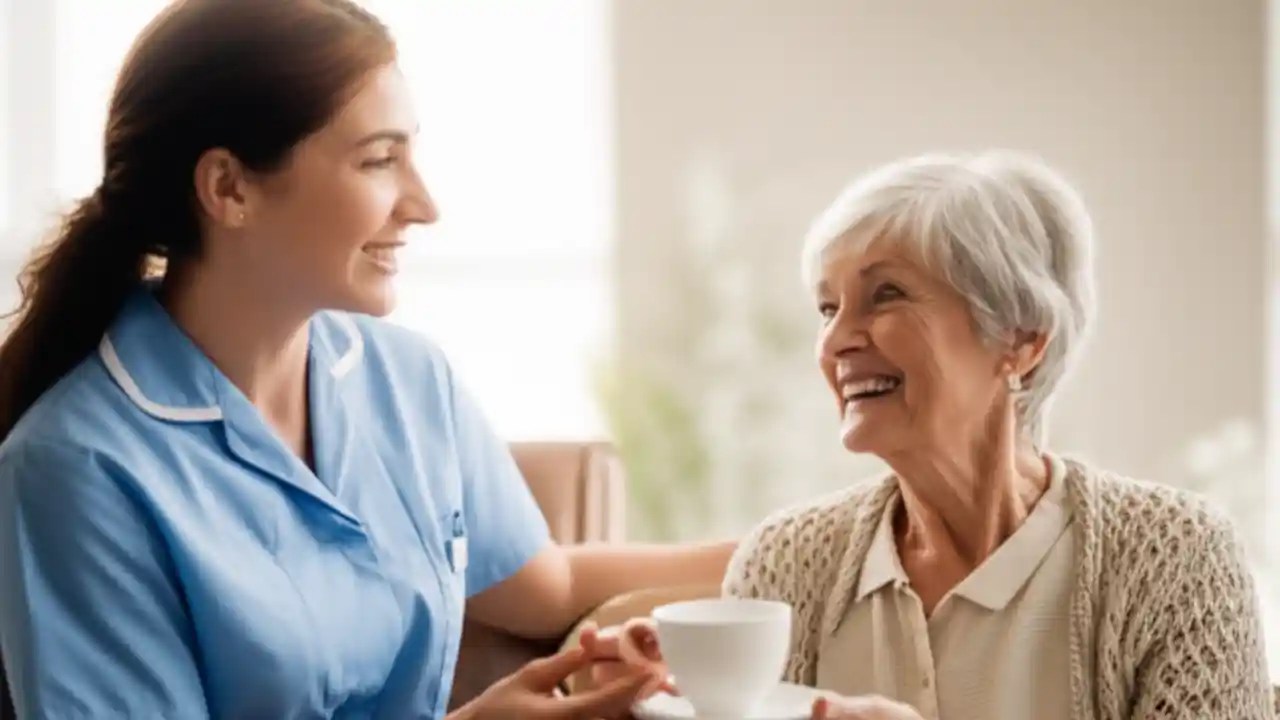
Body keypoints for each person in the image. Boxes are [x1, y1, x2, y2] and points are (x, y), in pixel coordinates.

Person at [0, 1, 732, 718]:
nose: (423, 203)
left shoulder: (409, 382)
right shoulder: (76, 470)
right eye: (379, 159)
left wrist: (823, 540)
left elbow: (550, 583)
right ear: (228, 188)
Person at [714, 152, 1273, 719]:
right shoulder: (782, 565)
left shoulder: (1179, 558)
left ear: (1021, 341)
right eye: (827, 308)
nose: (835, 342)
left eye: (886, 294)